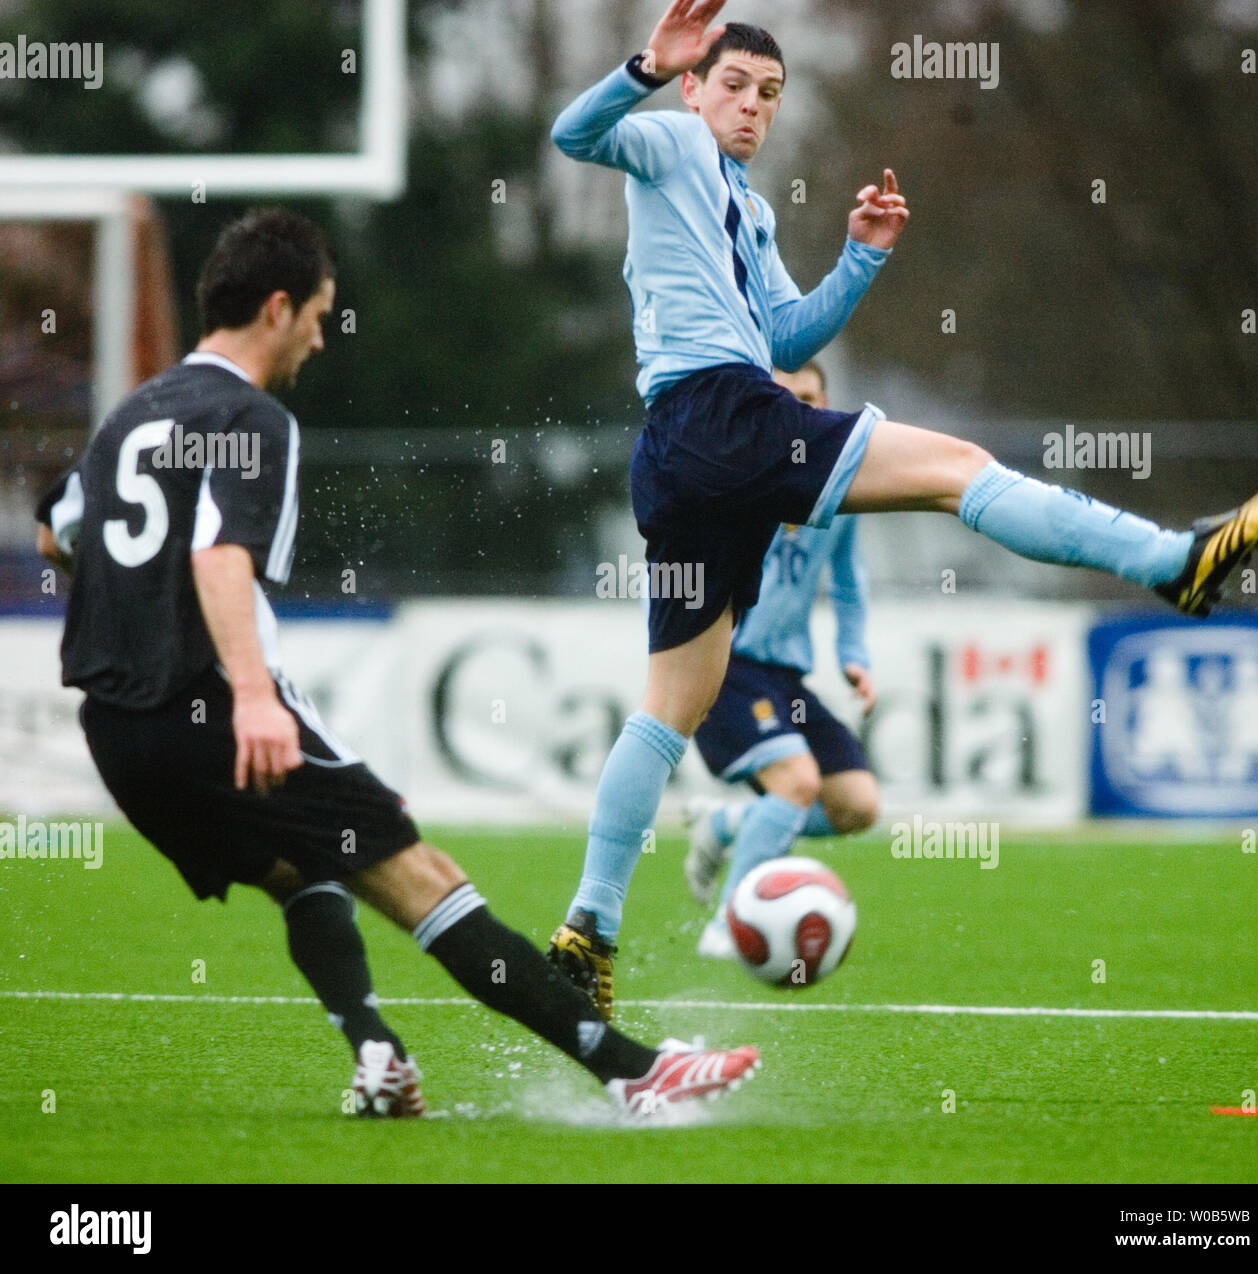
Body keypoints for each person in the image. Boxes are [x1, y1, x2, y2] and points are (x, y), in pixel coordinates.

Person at [545, 0, 1258, 1018]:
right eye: (734, 86)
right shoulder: (667, 142)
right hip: (720, 415)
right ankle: (1172, 563)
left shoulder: (744, 209)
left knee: (670, 706)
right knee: (956, 469)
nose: (752, 107)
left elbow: (787, 341)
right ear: (694, 86)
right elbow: (569, 134)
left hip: (679, 450)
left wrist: (861, 257)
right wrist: (645, 64)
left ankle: (589, 926)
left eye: (768, 92)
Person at [35, 207, 759, 1117]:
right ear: (276, 306)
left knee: (305, 872)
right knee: (427, 882)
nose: (321, 337)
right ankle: (634, 1072)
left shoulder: (129, 417)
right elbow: (217, 557)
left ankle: (376, 1053)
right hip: (215, 706)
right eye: (319, 314)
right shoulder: (250, 417)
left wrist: (126, 605)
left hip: (117, 734)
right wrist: (254, 698)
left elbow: (56, 526)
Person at [685, 361, 879, 959]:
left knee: (856, 804)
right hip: (726, 664)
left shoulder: (839, 495)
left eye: (812, 398)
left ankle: (727, 827)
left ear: (827, 404)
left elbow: (848, 580)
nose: (803, 410)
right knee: (797, 784)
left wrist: (853, 655)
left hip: (785, 673)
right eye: (788, 399)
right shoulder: (738, 477)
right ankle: (728, 922)